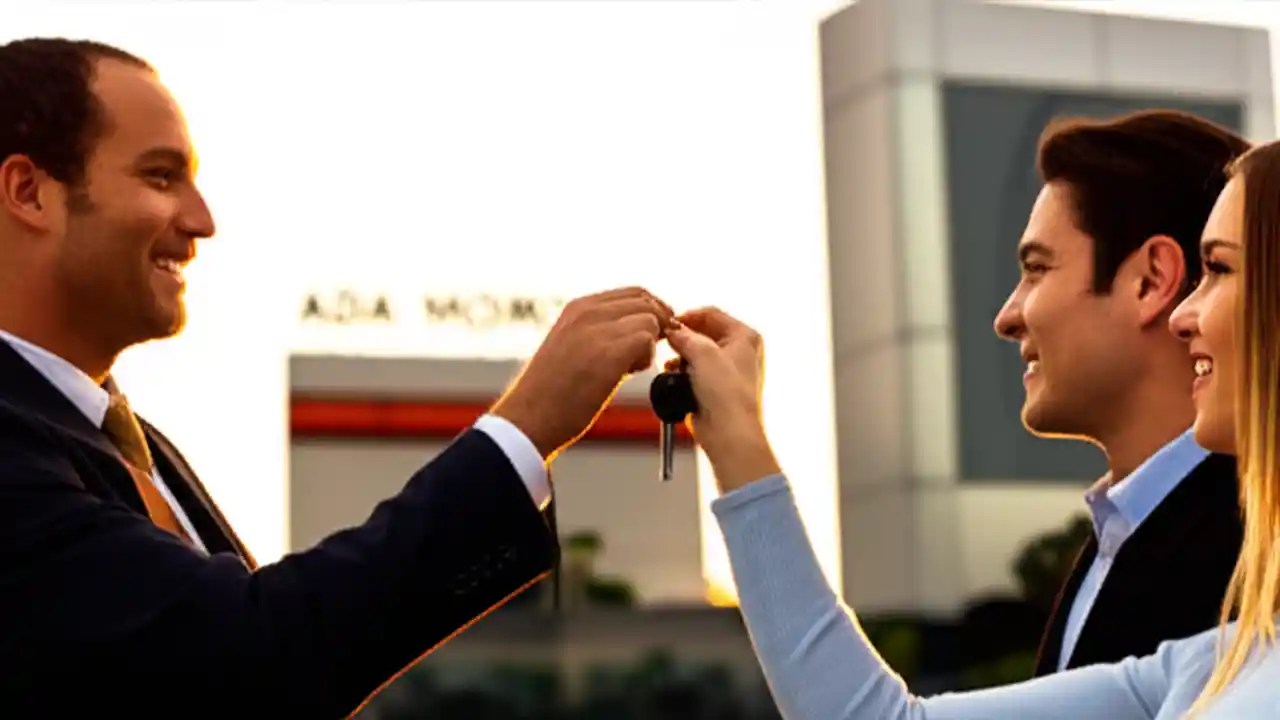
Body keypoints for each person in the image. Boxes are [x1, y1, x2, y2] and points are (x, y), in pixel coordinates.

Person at [0, 38, 674, 716]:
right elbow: (253, 656)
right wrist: (523, 430)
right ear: (29, 192)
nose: (202, 221)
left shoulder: (137, 445)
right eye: (160, 176)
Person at [664, 139, 1280, 717]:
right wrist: (736, 436)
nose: (1185, 315)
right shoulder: (1219, 657)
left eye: (1220, 270)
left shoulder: (1221, 584)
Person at [992, 110, 1247, 675]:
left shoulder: (1252, 552)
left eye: (1037, 269)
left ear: (1152, 280)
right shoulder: (1121, 534)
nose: (1007, 317)